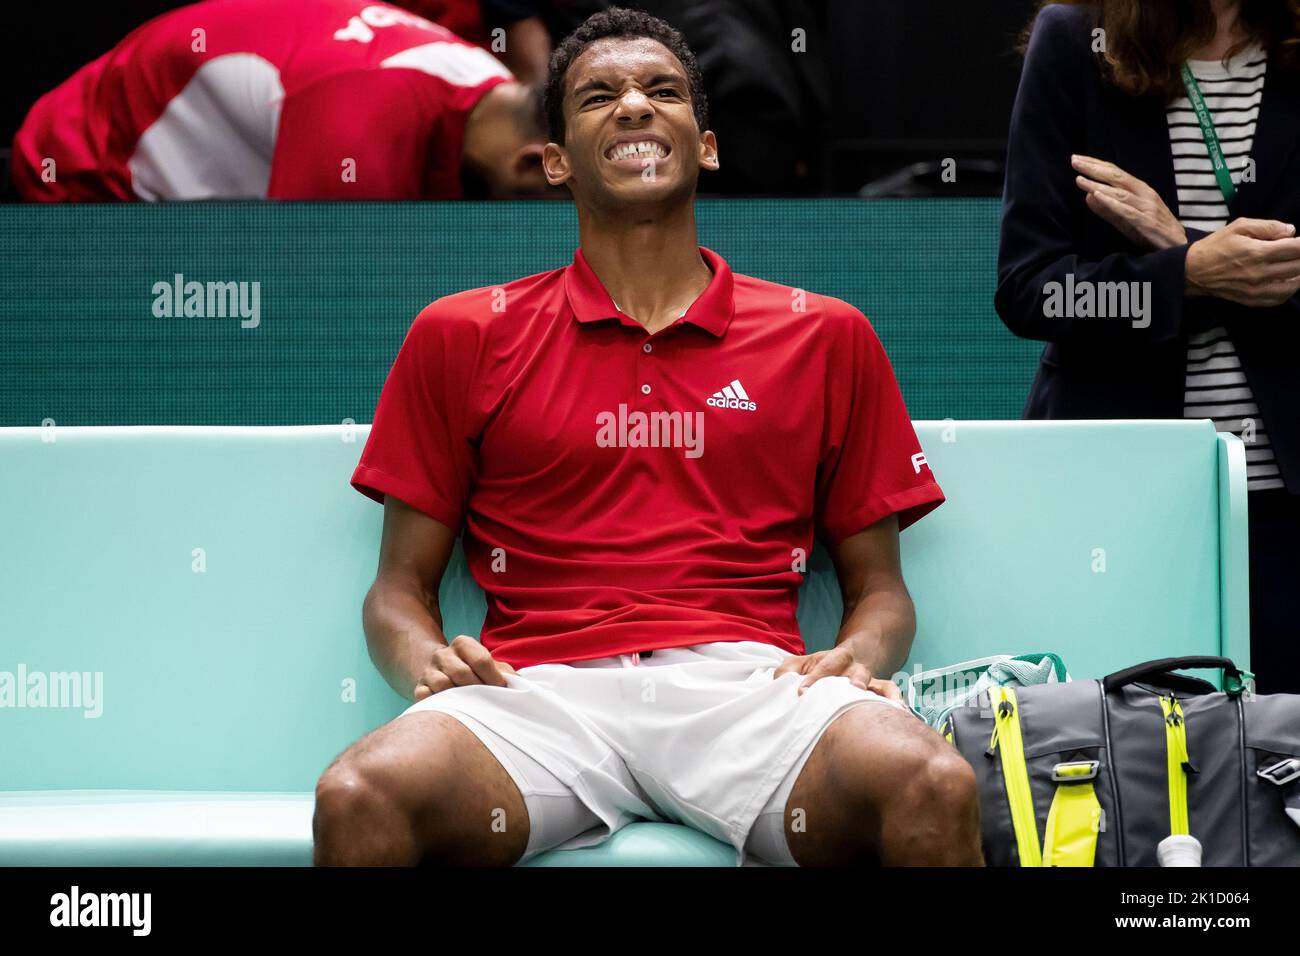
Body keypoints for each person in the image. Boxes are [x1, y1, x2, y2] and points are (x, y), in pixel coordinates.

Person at [313, 7, 980, 867]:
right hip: (534, 694)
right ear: (555, 160)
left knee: (933, 784)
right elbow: (397, 591)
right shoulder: (461, 333)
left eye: (662, 91)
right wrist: (427, 662)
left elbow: (881, 589)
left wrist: (857, 656)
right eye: (598, 97)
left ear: (707, 146)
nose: (633, 105)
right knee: (358, 797)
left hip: (750, 690)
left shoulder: (826, 334)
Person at [997, 0, 1300, 693]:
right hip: (1124, 501)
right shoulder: (1078, 39)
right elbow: (1032, 291)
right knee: (1130, 746)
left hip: (1285, 504)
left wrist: (1181, 246)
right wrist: (1187, 273)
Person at [11, 0, 550, 201]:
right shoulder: (356, 146)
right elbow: (312, 310)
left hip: (248, 141)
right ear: (532, 164)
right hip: (88, 169)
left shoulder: (490, 78)